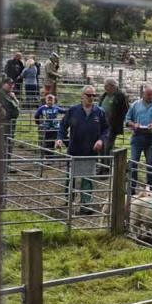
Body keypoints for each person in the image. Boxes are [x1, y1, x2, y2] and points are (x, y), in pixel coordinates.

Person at [55, 85, 109, 215]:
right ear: (82, 96)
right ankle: (69, 199)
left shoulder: (99, 112)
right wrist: (59, 139)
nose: (91, 98)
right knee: (71, 176)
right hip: (75, 149)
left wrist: (101, 140)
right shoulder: (73, 110)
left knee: (87, 178)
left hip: (91, 150)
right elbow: (63, 126)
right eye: (88, 95)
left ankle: (86, 204)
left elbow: (106, 129)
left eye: (93, 96)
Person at [125, 84, 152, 194]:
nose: (150, 96)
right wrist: (134, 125)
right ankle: (132, 187)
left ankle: (150, 188)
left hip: (151, 138)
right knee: (134, 162)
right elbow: (127, 120)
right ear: (143, 94)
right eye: (148, 94)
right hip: (137, 137)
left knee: (150, 164)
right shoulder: (135, 105)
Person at [98, 78, 129, 157]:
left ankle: (106, 167)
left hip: (112, 126)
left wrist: (120, 121)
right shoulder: (104, 95)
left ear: (112, 86)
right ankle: (102, 166)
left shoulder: (120, 96)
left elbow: (125, 110)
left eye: (106, 86)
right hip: (102, 125)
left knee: (108, 147)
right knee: (101, 145)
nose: (104, 88)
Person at [0, 77, 20, 173]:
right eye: (9, 84)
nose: (12, 86)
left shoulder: (10, 95)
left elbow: (17, 106)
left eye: (12, 84)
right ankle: (1, 166)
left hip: (11, 123)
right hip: (3, 123)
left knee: (9, 144)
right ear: (3, 84)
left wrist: (14, 97)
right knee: (3, 144)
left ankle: (7, 166)